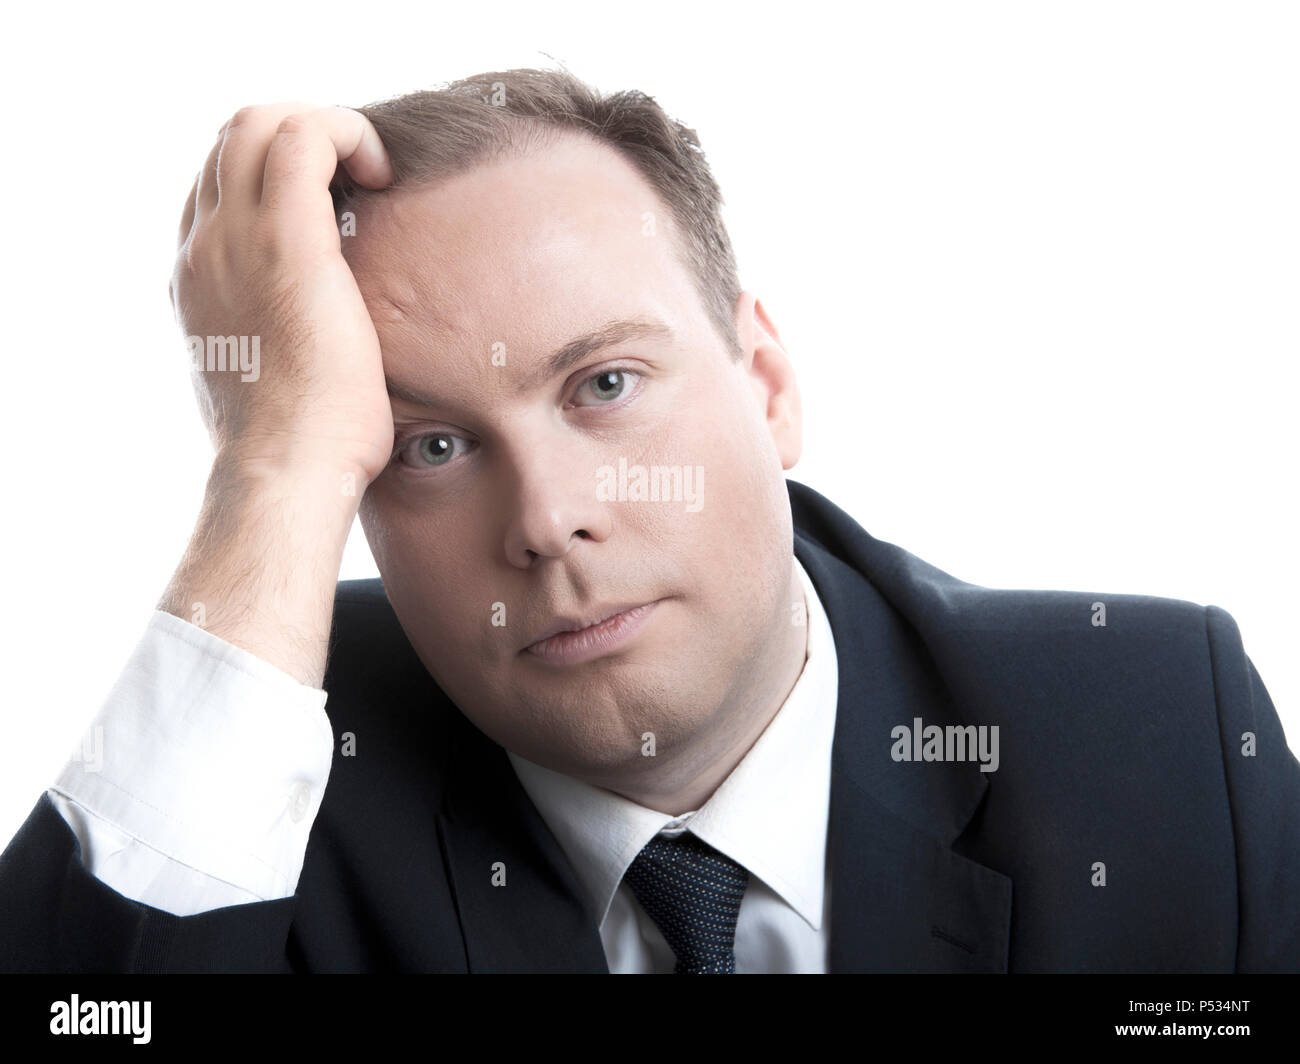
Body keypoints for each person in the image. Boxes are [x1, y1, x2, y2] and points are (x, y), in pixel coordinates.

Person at [1, 68, 1296, 974]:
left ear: (769, 389)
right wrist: (270, 469)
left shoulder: (1162, 739)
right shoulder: (265, 777)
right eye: (429, 447)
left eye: (605, 386)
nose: (550, 525)